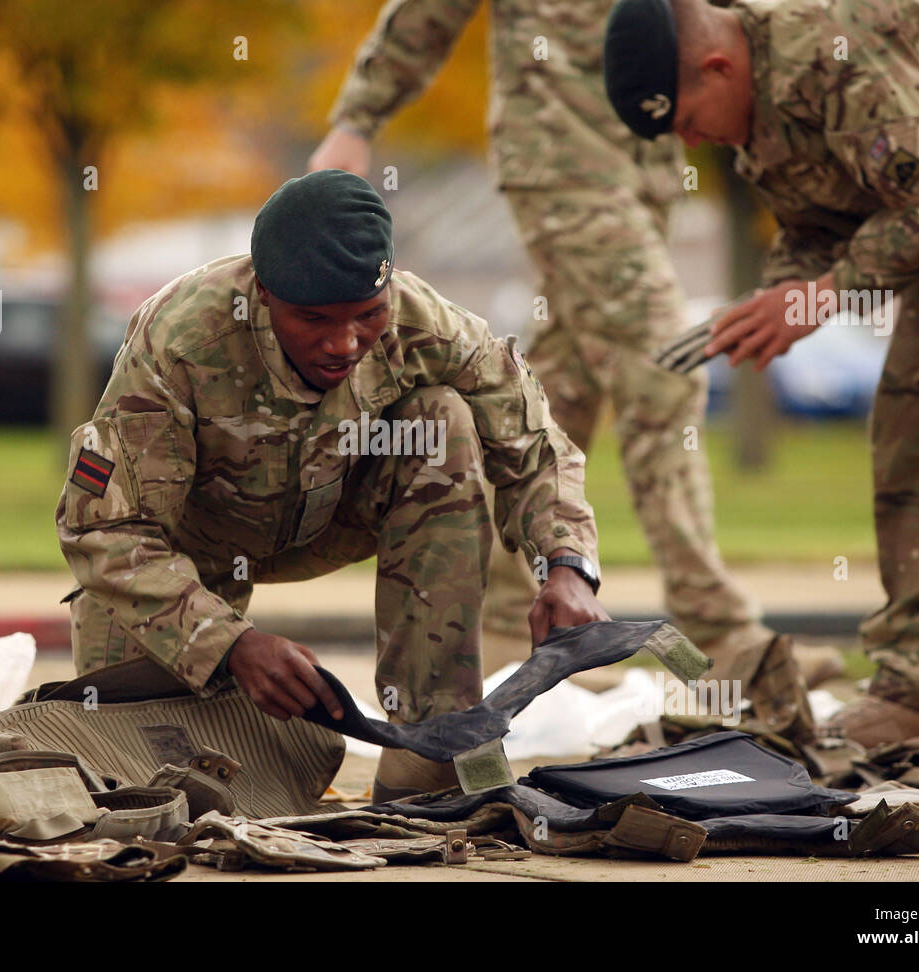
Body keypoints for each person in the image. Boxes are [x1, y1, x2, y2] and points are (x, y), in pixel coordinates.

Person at [308, 0, 817, 724]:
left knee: (552, 395)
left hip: (649, 161)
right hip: (560, 155)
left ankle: (504, 623)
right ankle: (719, 629)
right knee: (663, 365)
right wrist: (357, 119)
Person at [55, 169, 609, 801]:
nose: (344, 343)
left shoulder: (426, 323)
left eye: (367, 315)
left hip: (331, 515)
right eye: (313, 319)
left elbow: (534, 444)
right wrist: (228, 643)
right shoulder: (182, 340)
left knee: (442, 422)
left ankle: (437, 744)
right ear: (263, 293)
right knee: (142, 791)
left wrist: (568, 565)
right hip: (188, 548)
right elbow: (103, 527)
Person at [604, 0, 919, 763]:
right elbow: (817, 229)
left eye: (685, 118)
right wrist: (770, 303)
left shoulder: (835, 53)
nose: (688, 139)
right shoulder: (761, 117)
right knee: (915, 430)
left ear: (719, 67)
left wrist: (819, 296)